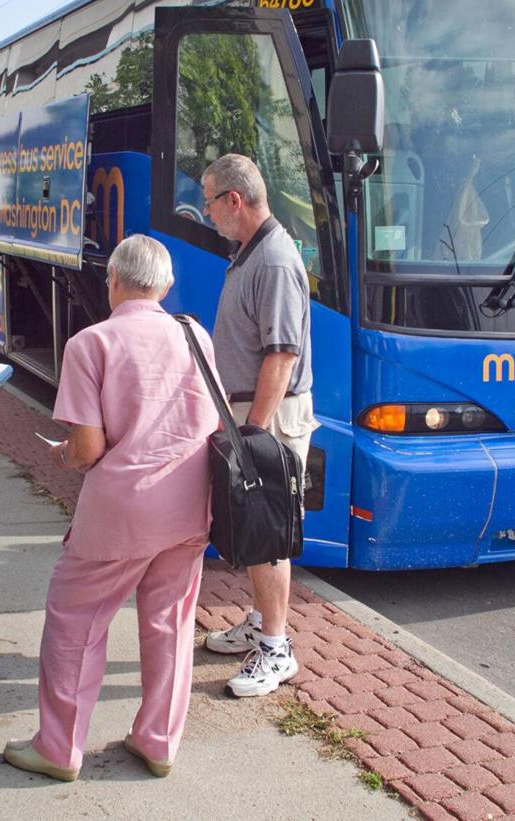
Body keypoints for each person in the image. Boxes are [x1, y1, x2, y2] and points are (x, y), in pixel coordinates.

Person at [3, 235, 220, 783]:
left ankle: (59, 747)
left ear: (113, 281)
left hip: (122, 511)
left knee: (76, 619)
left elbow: (88, 449)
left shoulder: (90, 343)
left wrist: (64, 456)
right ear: (166, 286)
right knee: (171, 621)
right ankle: (159, 741)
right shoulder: (196, 336)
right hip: (192, 505)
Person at [199, 154, 317, 697]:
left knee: (268, 534)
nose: (206, 212)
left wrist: (253, 436)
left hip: (266, 418)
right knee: (254, 530)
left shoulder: (271, 260)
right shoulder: (251, 253)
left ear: (235, 200)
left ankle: (276, 649)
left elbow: (282, 356)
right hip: (249, 415)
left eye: (209, 201)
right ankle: (260, 623)